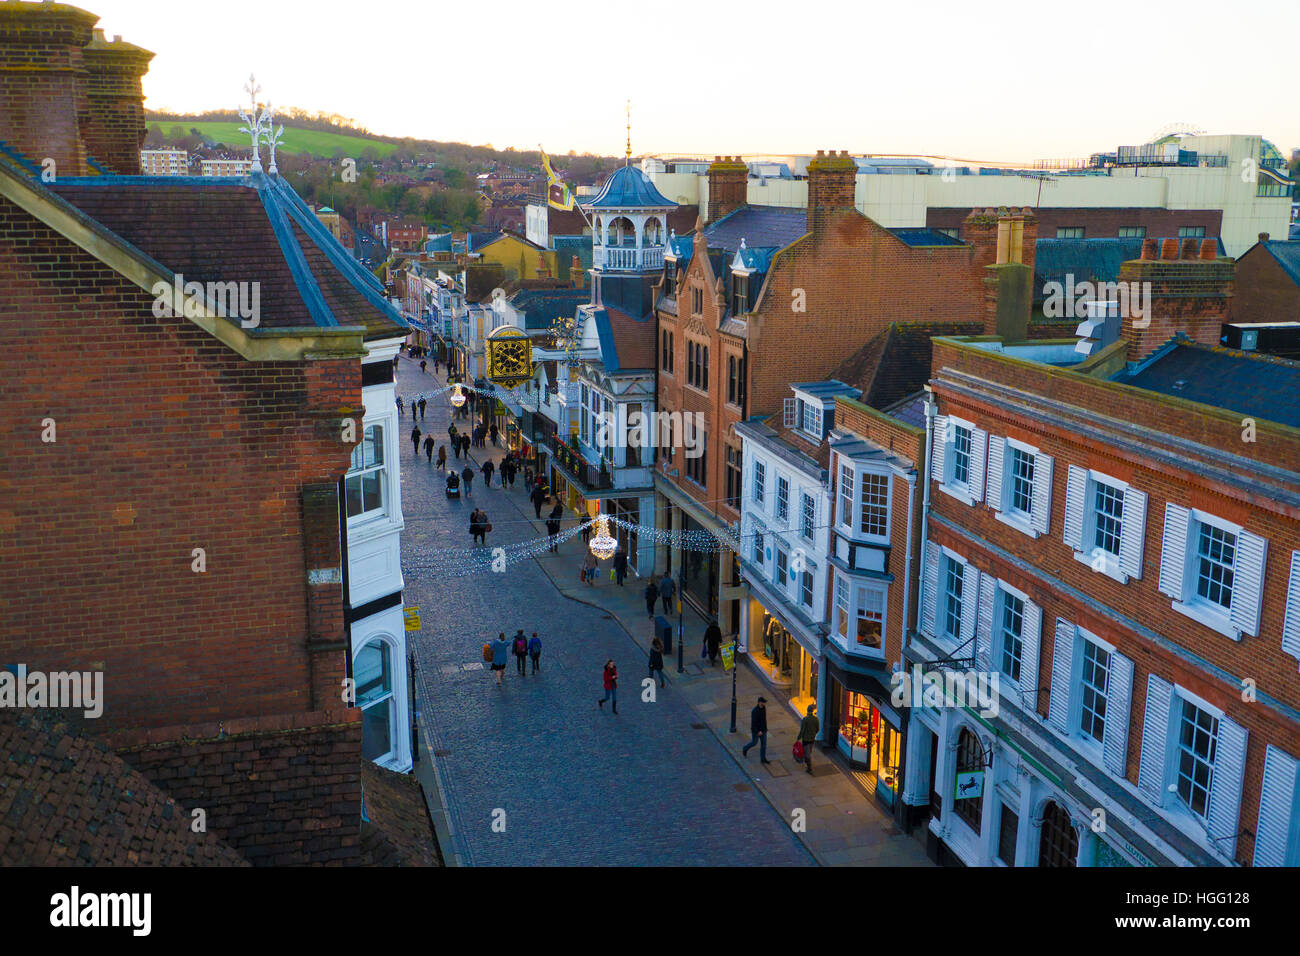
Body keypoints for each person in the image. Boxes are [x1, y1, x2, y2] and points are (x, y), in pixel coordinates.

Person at [742, 697, 770, 764]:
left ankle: (763, 759)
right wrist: (758, 731)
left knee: (764, 744)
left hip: (763, 730)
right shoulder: (755, 711)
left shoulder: (763, 708)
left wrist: (765, 728)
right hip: (756, 731)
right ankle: (745, 748)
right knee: (754, 743)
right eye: (763, 702)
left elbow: (764, 720)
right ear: (759, 702)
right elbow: (754, 723)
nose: (764, 703)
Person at [796, 704, 820, 774]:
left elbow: (802, 730)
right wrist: (813, 734)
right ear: (812, 711)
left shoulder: (805, 719)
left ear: (807, 711)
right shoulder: (816, 719)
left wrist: (799, 737)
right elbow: (817, 729)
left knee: (807, 754)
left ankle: (809, 768)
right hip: (812, 738)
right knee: (809, 750)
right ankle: (808, 763)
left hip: (806, 739)